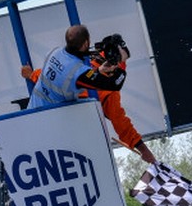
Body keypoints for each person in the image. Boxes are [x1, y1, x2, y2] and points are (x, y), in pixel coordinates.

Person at [24, 25, 156, 163]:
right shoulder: (99, 86)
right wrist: (144, 150)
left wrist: (31, 74)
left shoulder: (56, 53)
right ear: (85, 43)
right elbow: (120, 119)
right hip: (53, 132)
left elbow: (52, 77)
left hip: (30, 118)